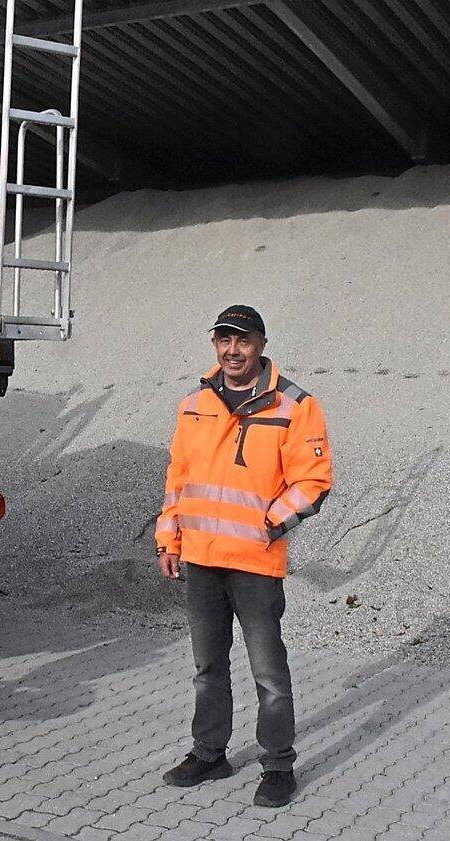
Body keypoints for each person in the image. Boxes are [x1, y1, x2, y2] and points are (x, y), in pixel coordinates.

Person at [154, 304, 333, 808]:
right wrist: (169, 540)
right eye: (224, 340)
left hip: (255, 562)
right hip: (202, 560)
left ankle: (278, 764)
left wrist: (268, 525)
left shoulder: (295, 405)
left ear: (261, 344)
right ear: (215, 345)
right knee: (207, 667)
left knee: (268, 673)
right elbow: (178, 478)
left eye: (243, 341)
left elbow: (314, 482)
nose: (232, 350)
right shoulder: (194, 402)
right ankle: (210, 754)